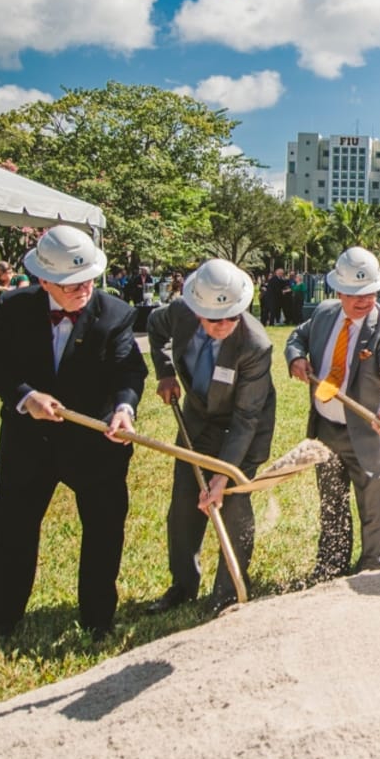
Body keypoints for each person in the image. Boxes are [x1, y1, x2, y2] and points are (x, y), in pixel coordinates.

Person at [0, 225, 146, 640]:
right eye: (71, 282)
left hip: (96, 446)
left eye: (88, 277)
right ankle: (4, 621)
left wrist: (124, 408)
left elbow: (128, 370)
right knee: (14, 529)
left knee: (104, 531)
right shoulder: (13, 307)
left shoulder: (116, 313)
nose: (83, 288)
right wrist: (25, 397)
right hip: (27, 445)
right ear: (44, 279)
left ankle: (98, 620)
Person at [147, 259, 277, 614]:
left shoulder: (255, 345)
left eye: (232, 316)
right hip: (197, 418)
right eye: (213, 318)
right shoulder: (179, 313)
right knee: (184, 507)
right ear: (196, 307)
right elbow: (154, 330)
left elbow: (246, 418)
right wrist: (165, 373)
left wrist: (223, 474)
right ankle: (183, 585)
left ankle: (228, 592)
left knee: (232, 506)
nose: (223, 325)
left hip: (242, 430)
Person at [287, 247, 380, 578]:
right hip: (326, 431)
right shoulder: (325, 314)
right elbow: (297, 336)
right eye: (355, 294)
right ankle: (330, 567)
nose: (364, 300)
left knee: (374, 512)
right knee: (332, 505)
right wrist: (296, 357)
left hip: (372, 434)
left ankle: (371, 567)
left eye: (371, 292)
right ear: (338, 291)